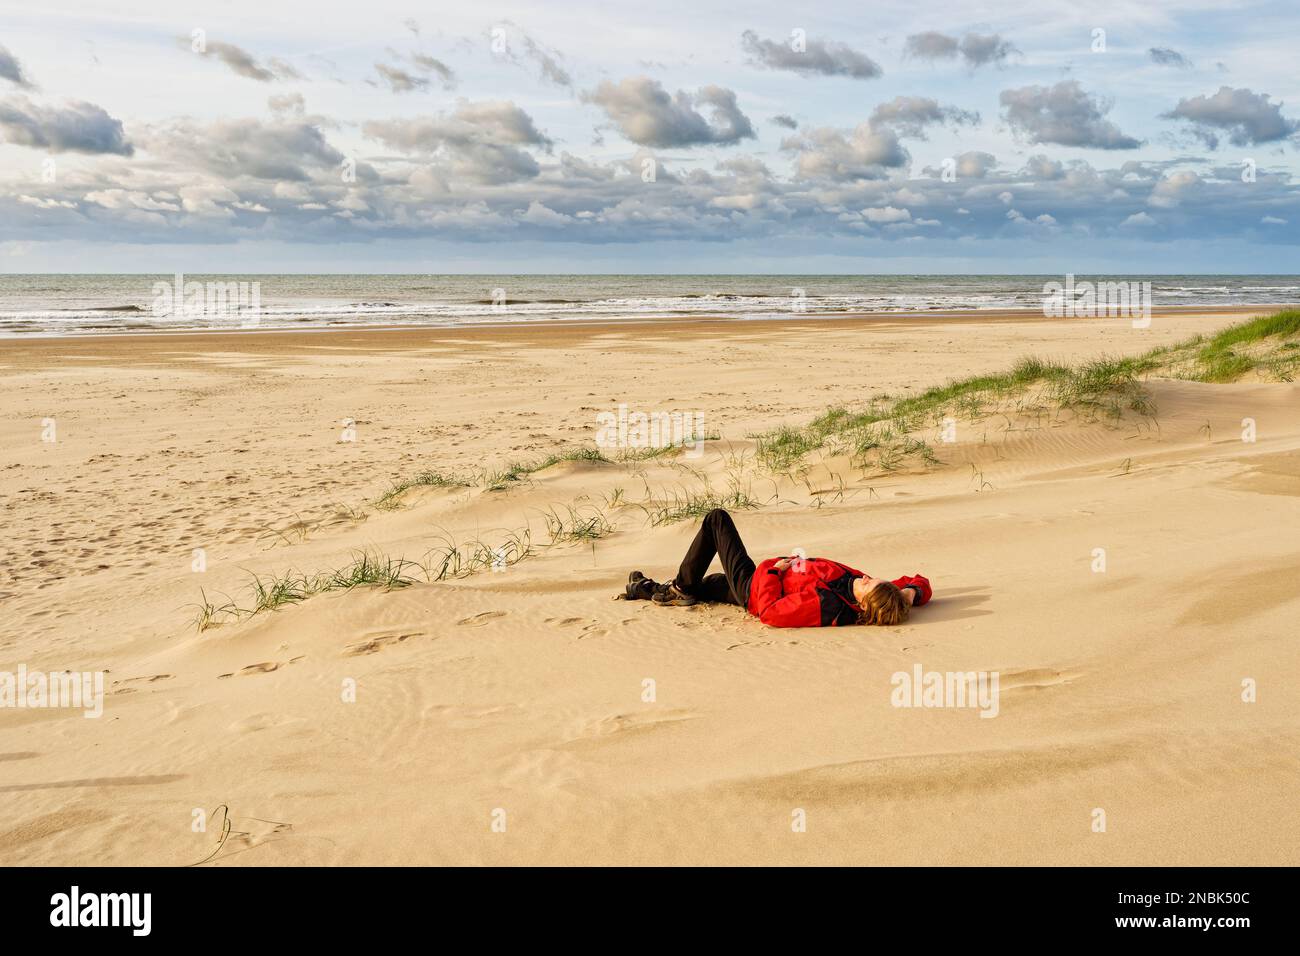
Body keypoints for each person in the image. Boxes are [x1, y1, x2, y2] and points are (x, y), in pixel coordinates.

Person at [621, 508, 931, 627]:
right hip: (757, 583)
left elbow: (770, 613)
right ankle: (644, 589)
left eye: (868, 584)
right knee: (709, 584)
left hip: (753, 589)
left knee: (717, 520)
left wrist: (771, 571)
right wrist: (909, 594)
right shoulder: (863, 590)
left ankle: (680, 588)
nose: (866, 577)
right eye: (874, 579)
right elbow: (921, 581)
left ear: (863, 604)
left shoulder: (826, 604)